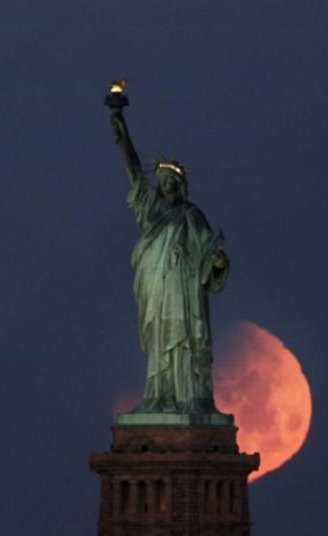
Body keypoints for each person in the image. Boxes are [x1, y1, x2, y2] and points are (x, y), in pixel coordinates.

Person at [110, 110, 229, 413]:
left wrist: (216, 263)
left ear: (181, 186)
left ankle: (188, 399)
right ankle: (160, 396)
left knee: (184, 341)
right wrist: (123, 136)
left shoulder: (192, 216)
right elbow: (135, 173)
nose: (166, 186)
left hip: (184, 290)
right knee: (160, 341)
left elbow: (209, 251)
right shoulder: (150, 210)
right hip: (156, 288)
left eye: (171, 182)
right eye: (162, 182)